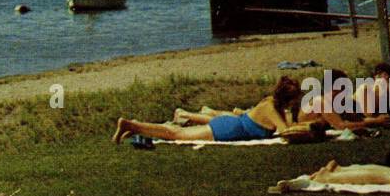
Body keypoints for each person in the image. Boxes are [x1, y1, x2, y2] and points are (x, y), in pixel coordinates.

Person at [113, 77, 307, 144]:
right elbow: (285, 132)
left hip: (230, 126)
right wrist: (310, 134)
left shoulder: (272, 104)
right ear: (287, 99)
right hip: (228, 130)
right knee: (177, 134)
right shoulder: (272, 108)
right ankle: (130, 124)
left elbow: (289, 126)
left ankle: (137, 128)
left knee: (177, 133)